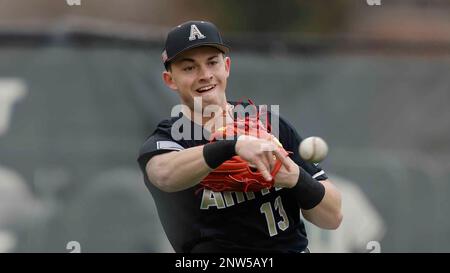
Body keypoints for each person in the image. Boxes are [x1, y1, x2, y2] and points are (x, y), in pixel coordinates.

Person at [137, 20, 342, 253]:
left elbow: (333, 217)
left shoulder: (268, 125)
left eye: (212, 63)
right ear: (170, 80)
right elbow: (163, 174)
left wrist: (296, 177)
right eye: (189, 67)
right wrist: (232, 146)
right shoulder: (171, 138)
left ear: (227, 67)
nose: (205, 75)